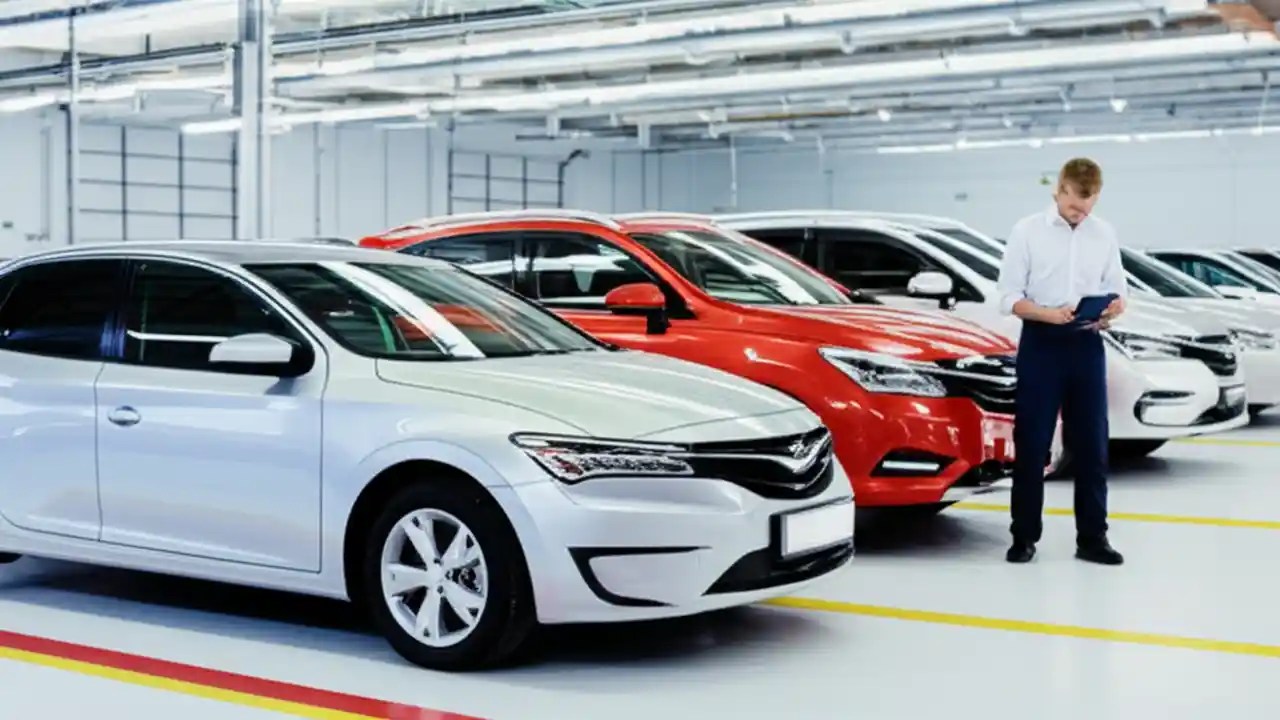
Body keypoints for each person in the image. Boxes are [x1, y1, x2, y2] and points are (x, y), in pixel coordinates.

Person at [996, 157, 1128, 566]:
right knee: (1032, 444)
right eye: (1075, 206)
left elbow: (1118, 291)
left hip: (1087, 345)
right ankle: (1023, 537)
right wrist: (1046, 314)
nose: (1081, 214)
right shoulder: (1027, 231)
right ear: (1061, 189)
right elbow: (1007, 297)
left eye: (1089, 208)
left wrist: (1112, 310)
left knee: (1092, 445)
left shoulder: (1103, 233)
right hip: (1042, 344)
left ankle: (1092, 538)